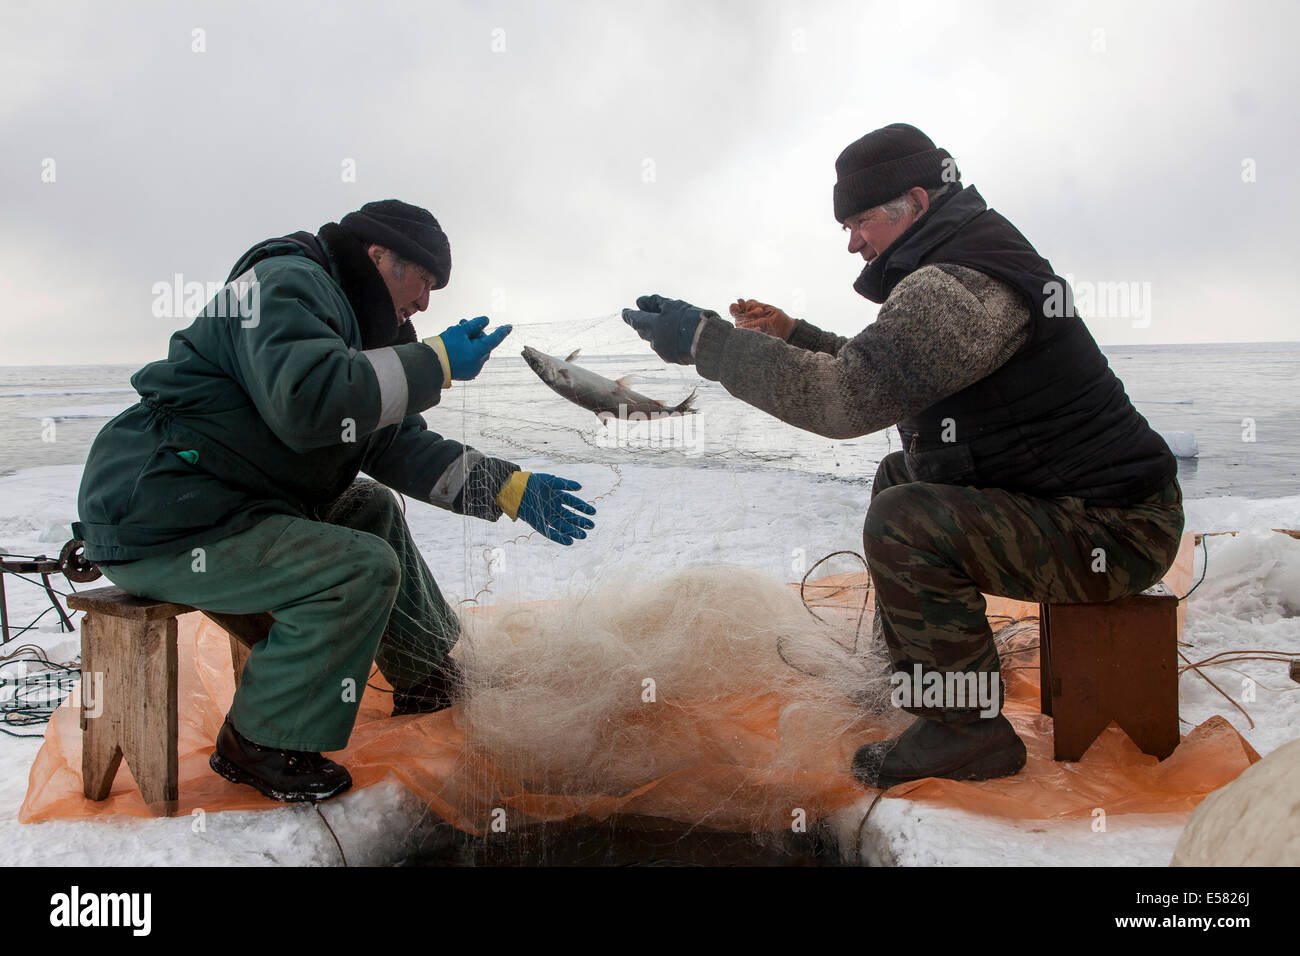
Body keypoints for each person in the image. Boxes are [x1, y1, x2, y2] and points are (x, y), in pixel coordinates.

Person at [622, 124, 1182, 789]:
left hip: (1116, 529)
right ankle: (921, 679)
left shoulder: (958, 288)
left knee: (906, 519)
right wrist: (791, 334)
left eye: (860, 221)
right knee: (901, 475)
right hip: (1070, 502)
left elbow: (848, 399)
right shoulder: (962, 258)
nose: (852, 241)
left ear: (914, 203)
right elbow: (880, 367)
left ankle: (965, 732)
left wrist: (707, 345)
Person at [74, 199, 596, 802]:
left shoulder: (357, 326)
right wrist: (436, 361)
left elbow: (391, 442)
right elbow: (310, 403)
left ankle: (424, 674)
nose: (426, 302)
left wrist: (505, 486)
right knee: (357, 569)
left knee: (370, 508)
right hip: (165, 514)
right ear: (377, 257)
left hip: (231, 503)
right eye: (421, 280)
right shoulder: (284, 285)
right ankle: (259, 741)